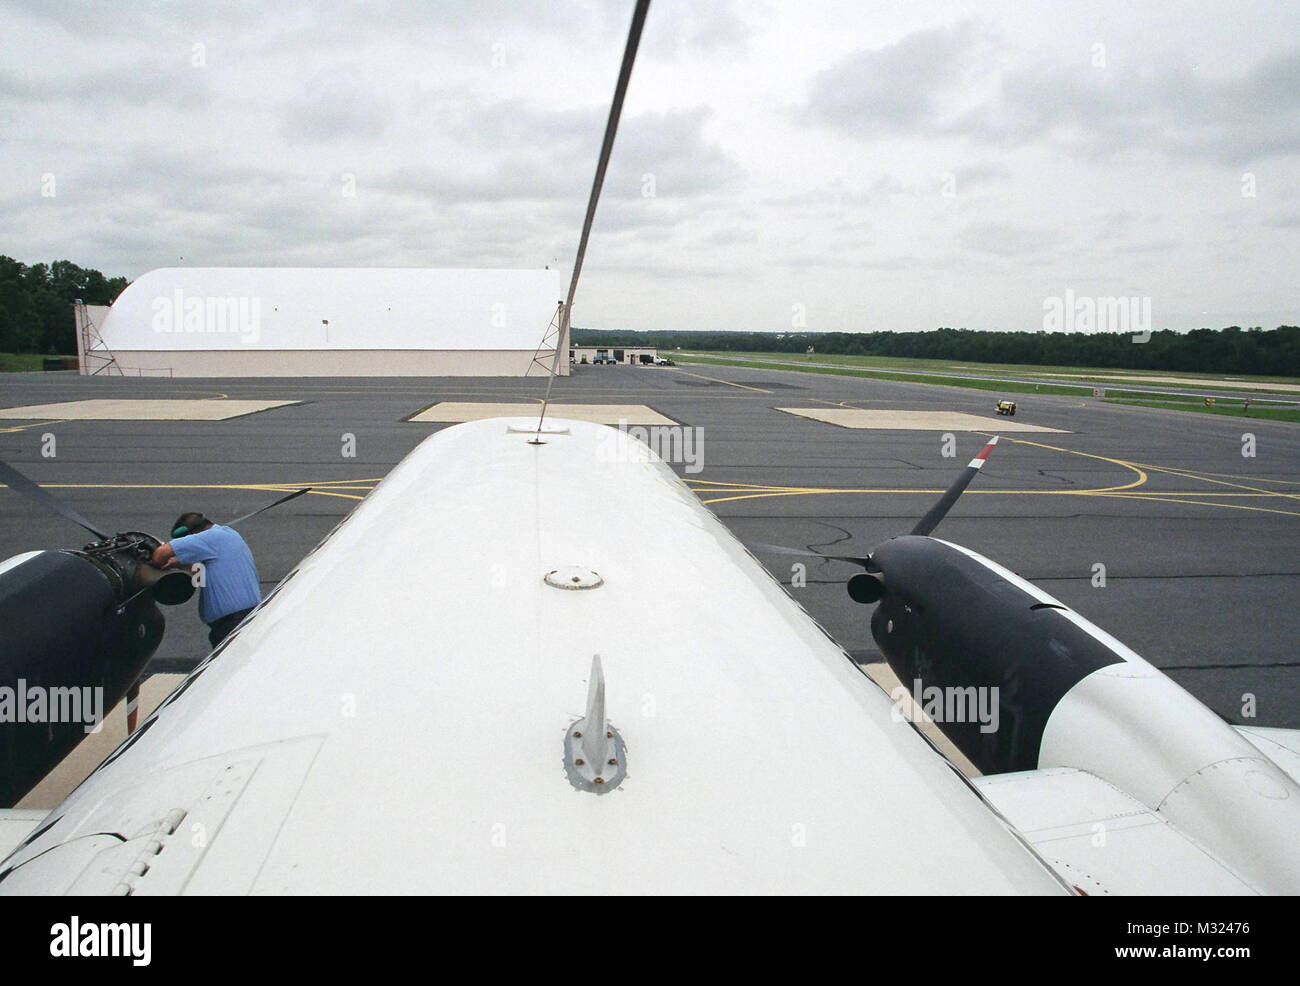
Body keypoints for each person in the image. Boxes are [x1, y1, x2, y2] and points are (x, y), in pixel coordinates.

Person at [151, 512, 262, 647]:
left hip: (233, 623)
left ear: (192, 535)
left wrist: (155, 566)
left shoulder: (209, 538)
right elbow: (201, 579)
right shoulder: (227, 536)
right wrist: (179, 564)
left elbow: (160, 554)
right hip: (240, 620)